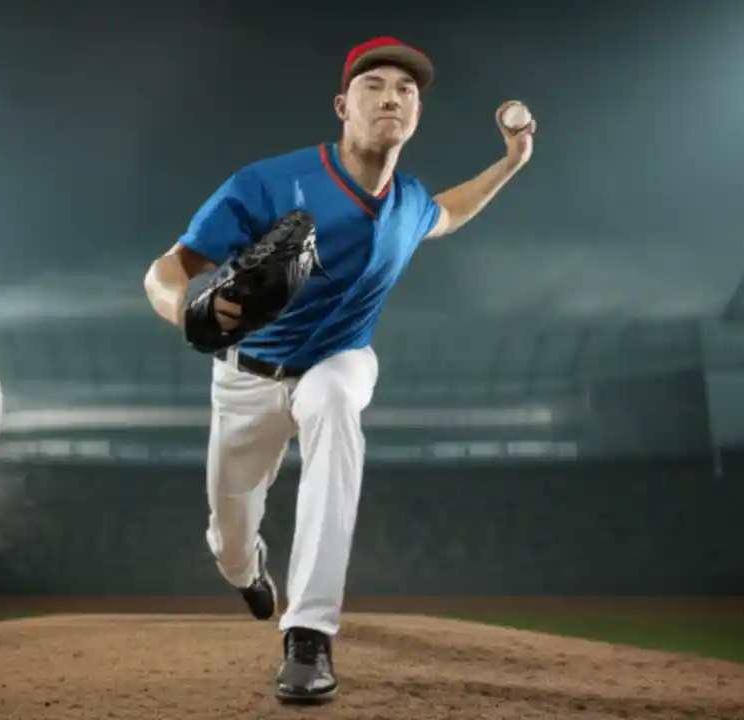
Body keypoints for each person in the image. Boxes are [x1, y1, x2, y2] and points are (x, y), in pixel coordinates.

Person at [142, 36, 536, 704]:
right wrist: (186, 313)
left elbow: (451, 210)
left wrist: (512, 160)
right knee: (230, 537)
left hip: (338, 361)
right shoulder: (269, 182)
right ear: (341, 106)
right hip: (245, 378)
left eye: (407, 90)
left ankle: (309, 635)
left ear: (416, 115)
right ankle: (247, 570)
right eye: (374, 85)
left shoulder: (408, 203)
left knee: (333, 401)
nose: (392, 96)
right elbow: (166, 270)